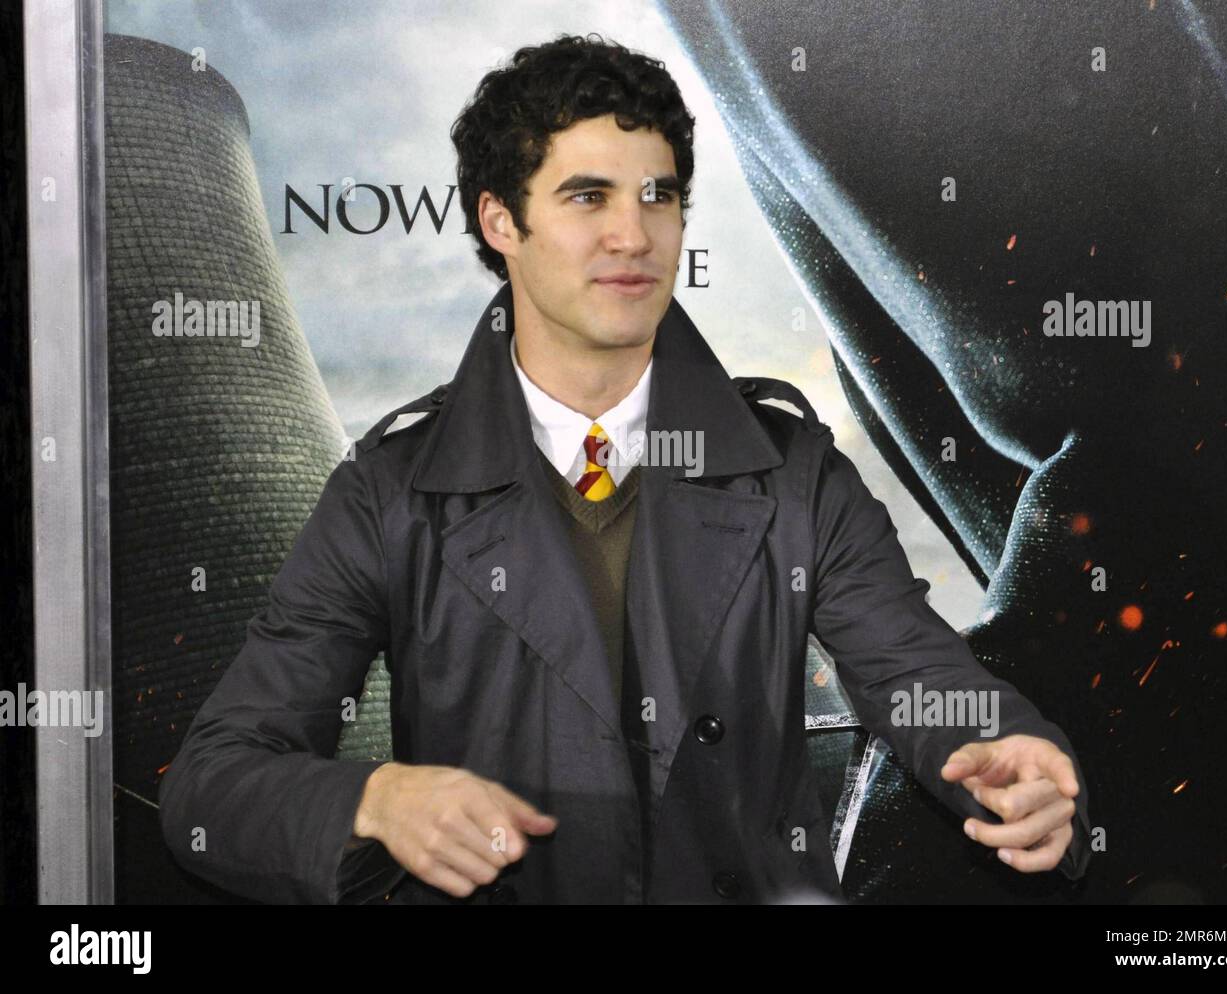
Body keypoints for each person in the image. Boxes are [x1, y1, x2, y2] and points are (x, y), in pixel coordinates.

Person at [158, 32, 1091, 905]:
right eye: (586, 196)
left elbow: (921, 679)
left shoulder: (795, 474)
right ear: (500, 222)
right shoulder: (391, 492)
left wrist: (1009, 752)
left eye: (660, 195)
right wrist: (375, 801)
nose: (634, 235)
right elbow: (213, 783)